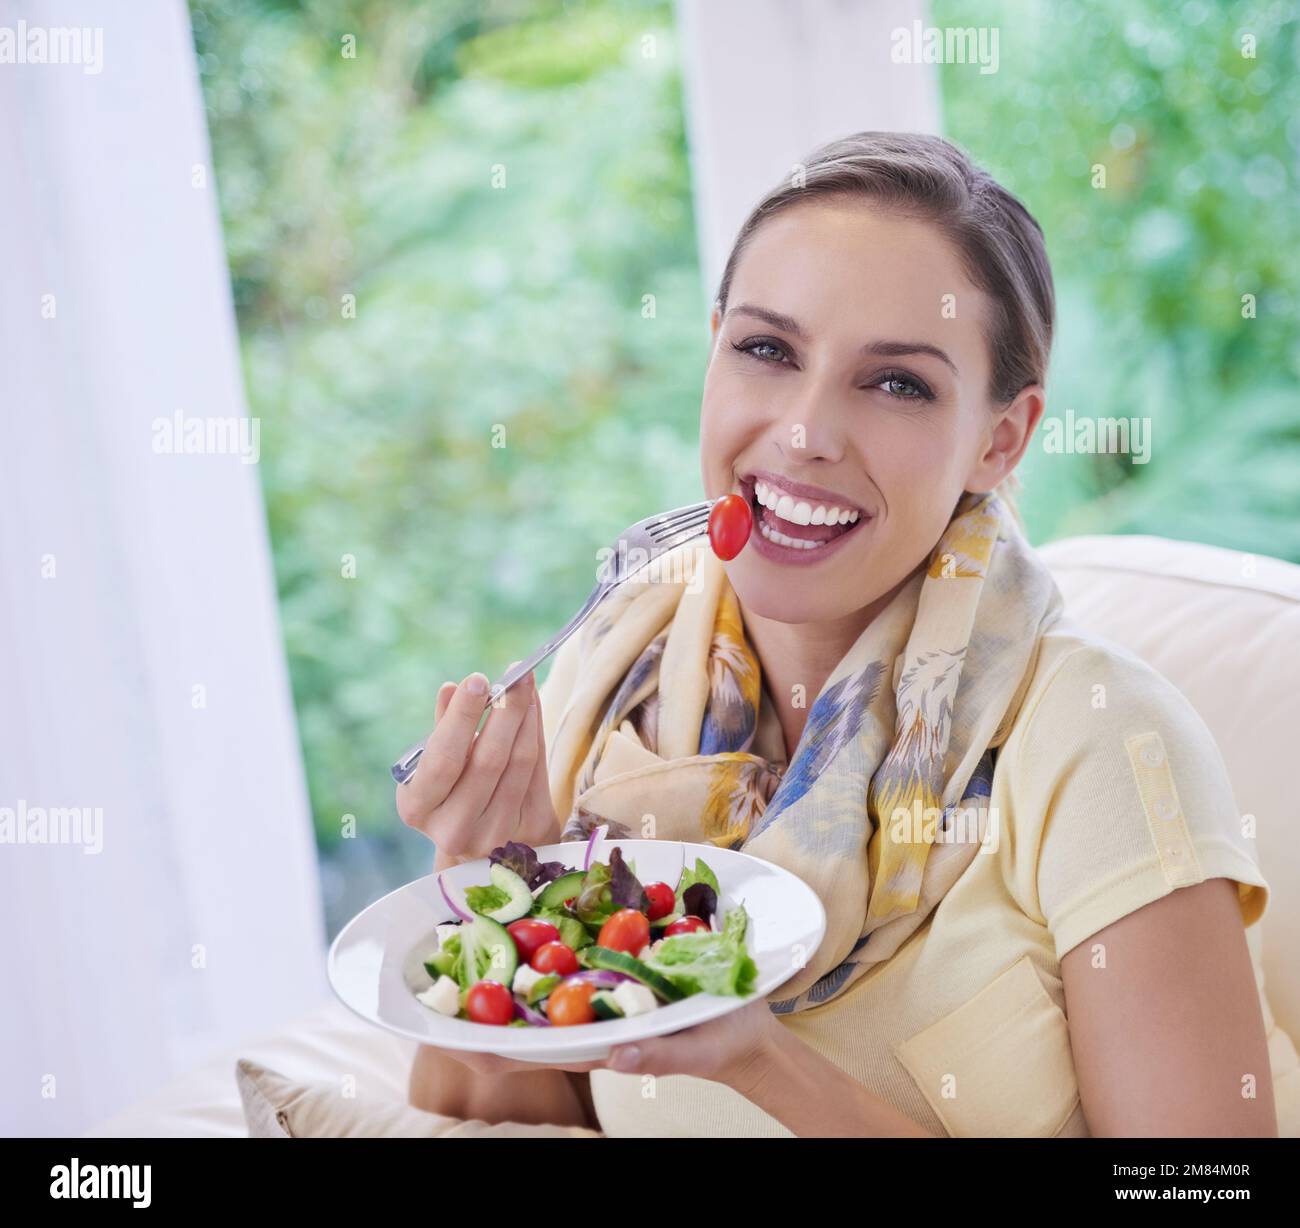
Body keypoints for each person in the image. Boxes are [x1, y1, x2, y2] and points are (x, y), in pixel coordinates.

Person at [396, 131, 1297, 1137]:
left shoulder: (1100, 744)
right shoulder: (618, 682)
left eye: (896, 383)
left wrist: (764, 1060)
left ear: (999, 438)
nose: (803, 431)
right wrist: (486, 896)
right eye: (766, 350)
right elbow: (528, 1117)